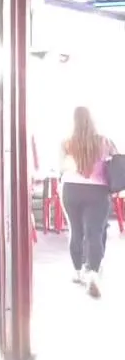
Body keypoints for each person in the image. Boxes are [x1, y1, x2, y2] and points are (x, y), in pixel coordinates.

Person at [61, 106, 117, 298]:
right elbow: (117, 161)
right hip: (97, 191)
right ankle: (92, 273)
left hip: (71, 189)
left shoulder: (67, 143)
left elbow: (61, 166)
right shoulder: (104, 141)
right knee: (94, 232)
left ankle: (77, 272)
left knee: (75, 231)